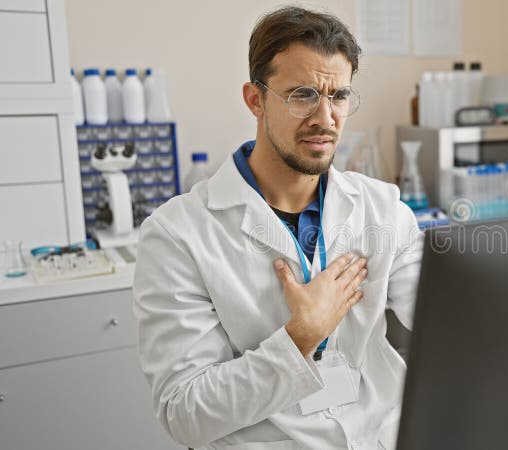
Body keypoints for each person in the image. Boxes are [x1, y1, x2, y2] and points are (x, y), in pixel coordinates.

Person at [133, 7, 423, 450]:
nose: (326, 118)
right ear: (255, 99)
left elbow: (447, 322)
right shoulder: (177, 235)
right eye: (303, 95)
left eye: (339, 95)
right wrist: (300, 336)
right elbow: (185, 414)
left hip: (382, 437)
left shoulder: (383, 209)